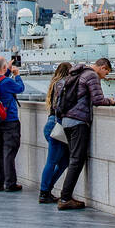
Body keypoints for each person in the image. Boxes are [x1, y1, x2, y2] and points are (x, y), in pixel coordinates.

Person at [55, 58, 115, 210]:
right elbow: (98, 100)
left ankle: (66, 196)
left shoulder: (75, 73)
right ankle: (65, 197)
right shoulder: (91, 76)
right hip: (78, 121)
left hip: (66, 120)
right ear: (102, 67)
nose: (105, 76)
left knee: (73, 158)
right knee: (76, 160)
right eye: (106, 72)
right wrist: (111, 101)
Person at [0, 54, 24, 192]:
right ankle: (10, 183)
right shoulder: (8, 82)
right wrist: (17, 74)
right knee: (9, 152)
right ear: (3, 67)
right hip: (9, 120)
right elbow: (20, 88)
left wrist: (6, 69)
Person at [38, 62, 73, 204]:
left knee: (64, 161)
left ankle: (46, 190)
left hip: (50, 124)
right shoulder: (63, 83)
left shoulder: (54, 83)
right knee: (52, 162)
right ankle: (44, 192)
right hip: (57, 125)